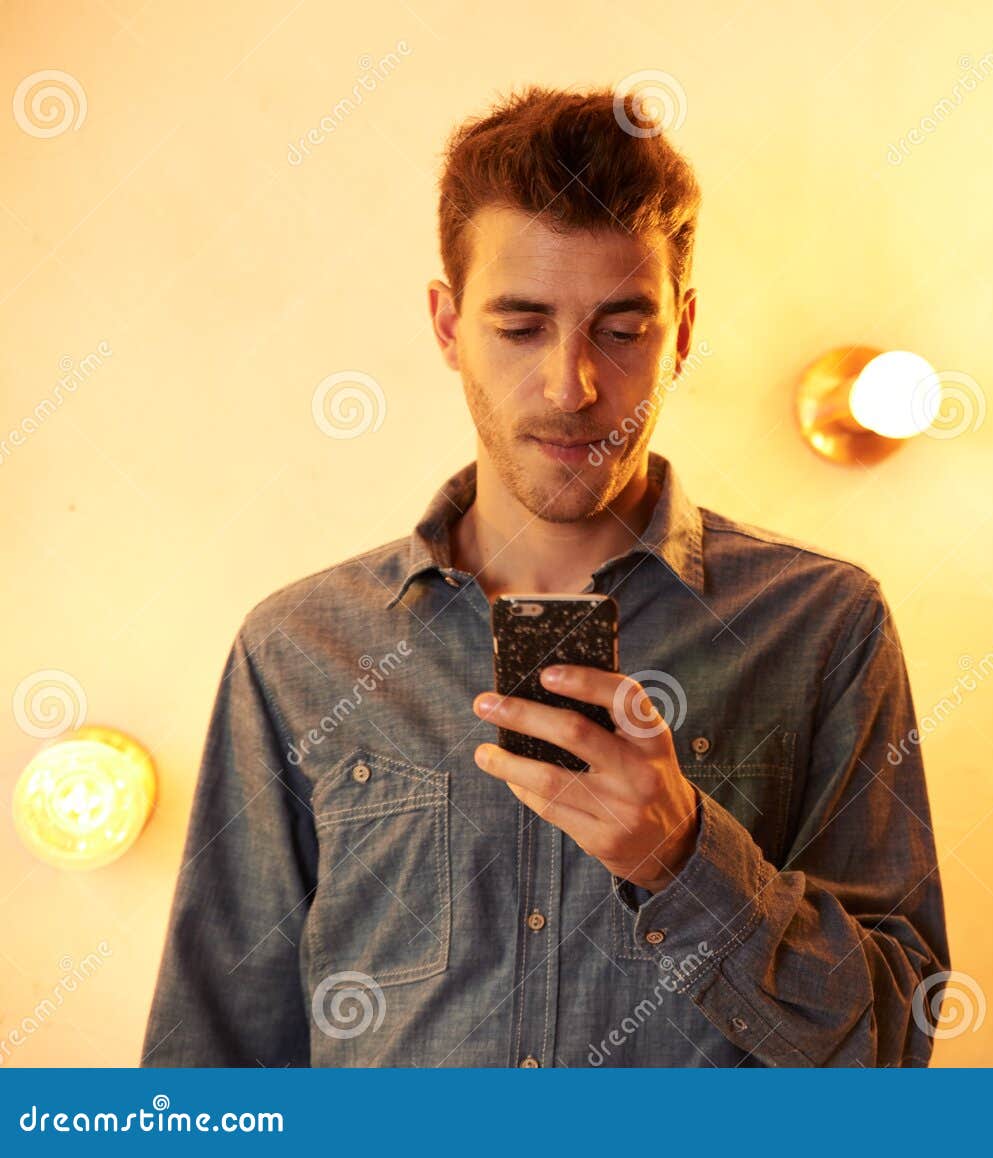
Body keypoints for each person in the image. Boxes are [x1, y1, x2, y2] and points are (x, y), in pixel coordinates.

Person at [141, 84, 948, 1067]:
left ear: (682, 332)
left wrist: (685, 859)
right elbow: (213, 1054)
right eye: (520, 326)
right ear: (447, 326)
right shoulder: (300, 650)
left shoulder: (822, 627)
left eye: (622, 328)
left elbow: (894, 1045)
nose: (571, 386)